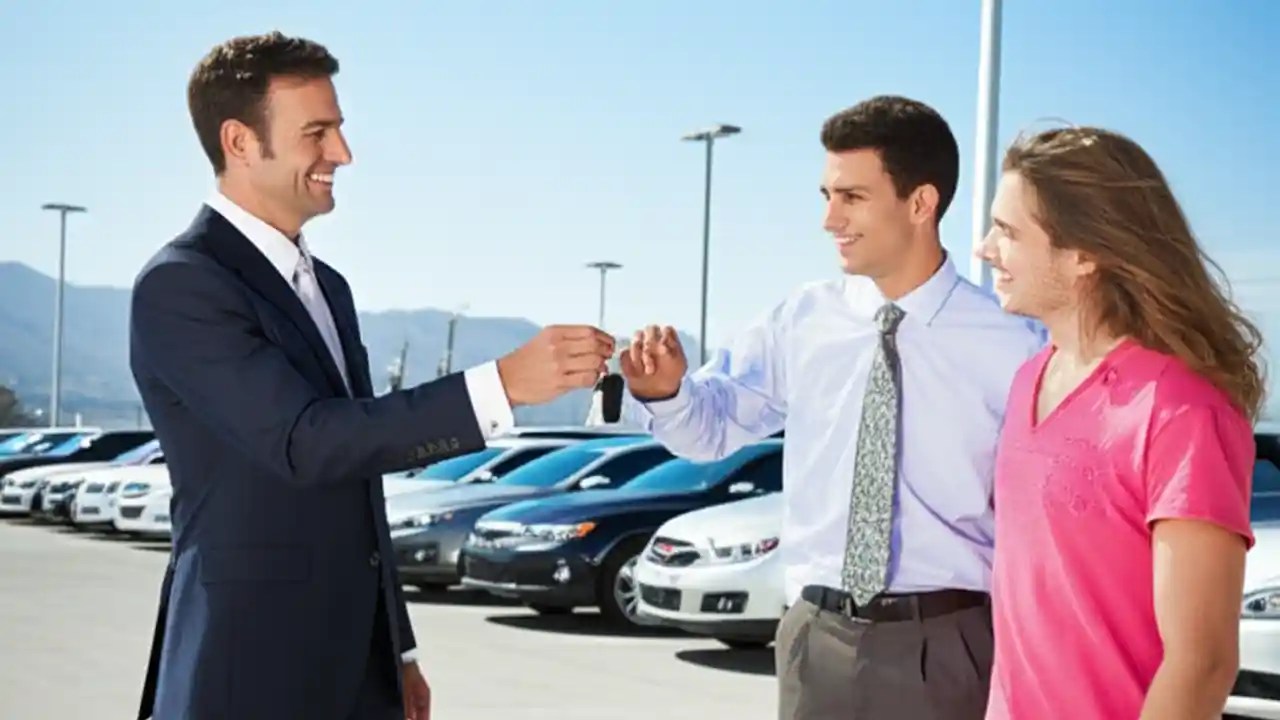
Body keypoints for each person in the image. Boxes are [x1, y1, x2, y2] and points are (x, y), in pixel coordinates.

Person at [129, 32, 613, 720]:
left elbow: (360, 482)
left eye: (340, 130)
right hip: (246, 667)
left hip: (358, 668)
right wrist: (500, 386)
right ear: (240, 142)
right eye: (317, 133)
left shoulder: (328, 286)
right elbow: (307, 441)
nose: (342, 154)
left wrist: (398, 651)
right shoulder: (182, 285)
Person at [620, 96, 1043, 719]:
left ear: (921, 203)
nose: (829, 219)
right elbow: (710, 429)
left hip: (950, 643)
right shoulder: (801, 320)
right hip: (816, 639)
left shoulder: (1015, 344)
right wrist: (665, 392)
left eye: (852, 197)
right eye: (826, 195)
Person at [974, 126, 1263, 720]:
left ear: (1084, 254)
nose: (983, 249)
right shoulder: (1029, 378)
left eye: (1007, 232)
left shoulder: (1182, 409)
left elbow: (1202, 662)